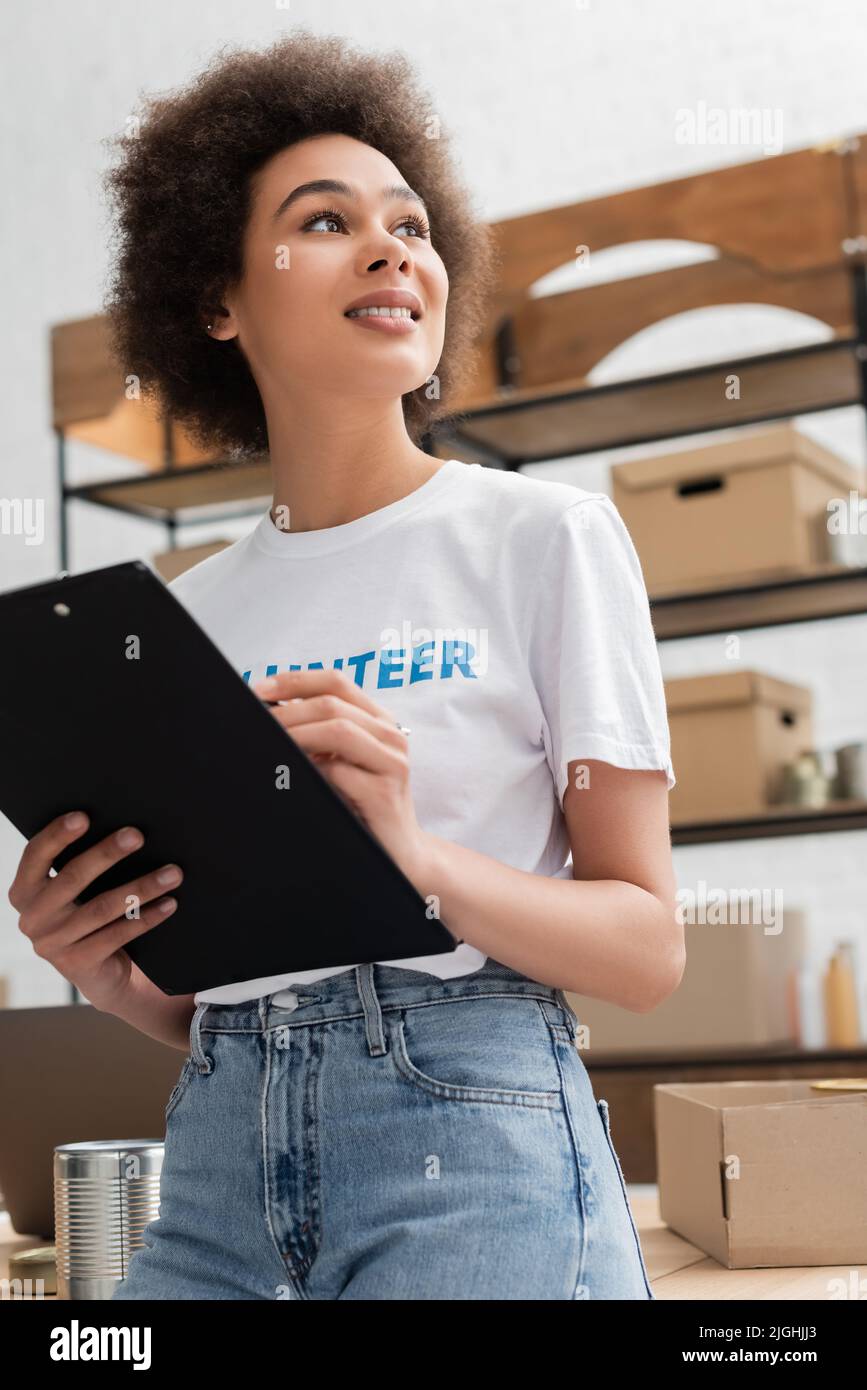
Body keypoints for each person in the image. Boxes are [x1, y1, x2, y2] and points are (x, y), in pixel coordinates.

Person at [10, 30, 682, 1300]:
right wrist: (107, 974)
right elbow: (235, 993)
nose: (392, 249)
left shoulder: (545, 539)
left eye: (412, 225)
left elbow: (648, 948)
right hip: (216, 1155)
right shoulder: (181, 615)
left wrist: (418, 857)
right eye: (326, 221)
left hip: (476, 1143)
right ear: (217, 298)